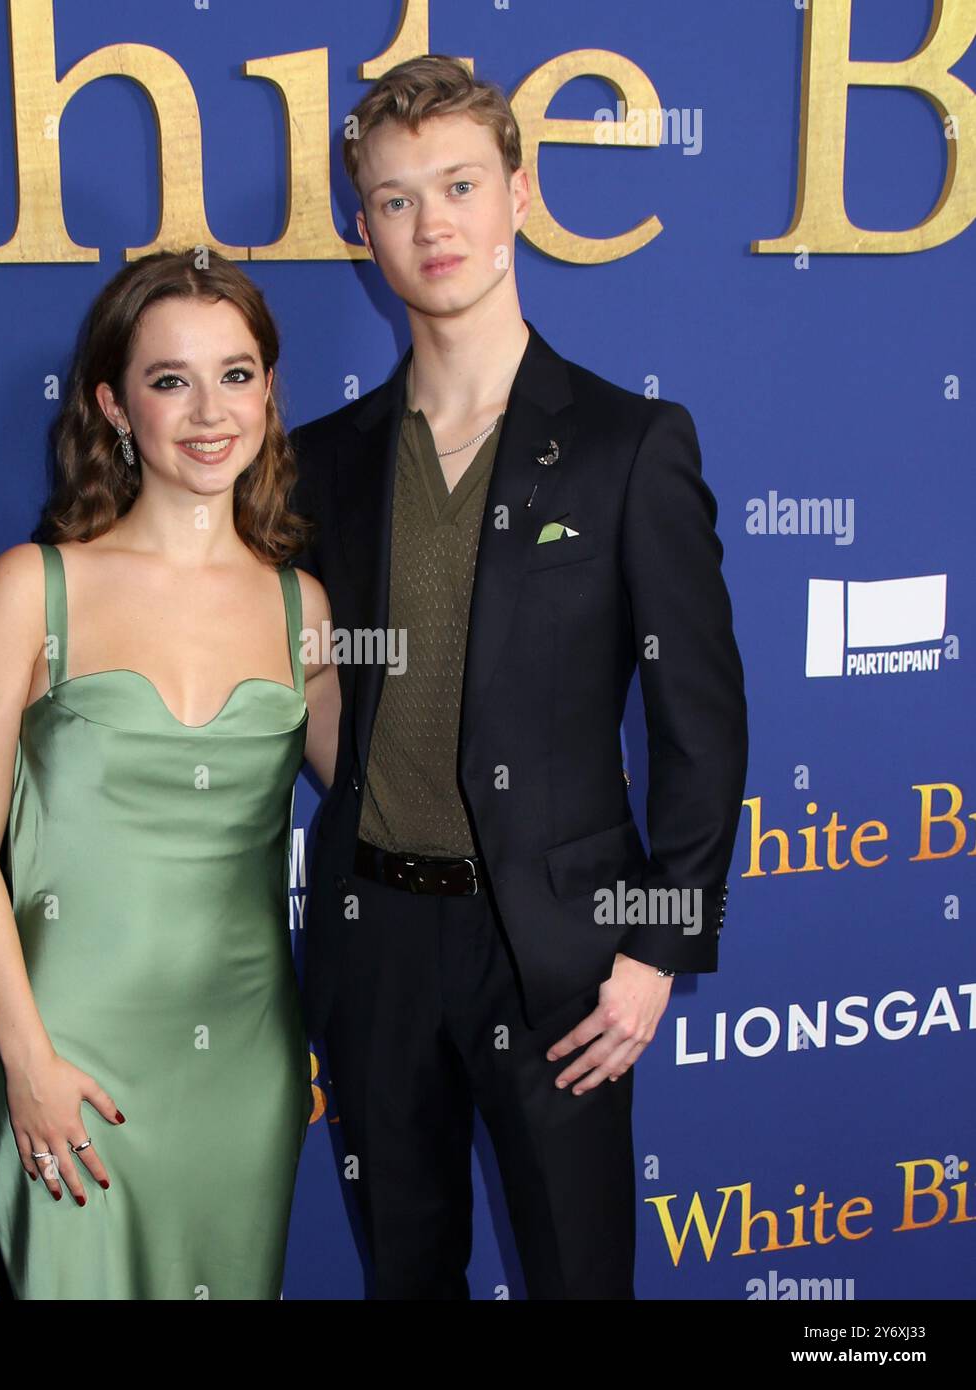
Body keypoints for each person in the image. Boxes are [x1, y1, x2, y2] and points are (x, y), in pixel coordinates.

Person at [288, 55, 748, 1299]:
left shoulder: (628, 444)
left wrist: (653, 951)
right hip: (373, 940)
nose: (432, 224)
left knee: (580, 1279)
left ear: (521, 193)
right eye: (394, 199)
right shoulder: (323, 463)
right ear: (361, 230)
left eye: (458, 185)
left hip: (561, 954)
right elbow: (329, 689)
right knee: (405, 1278)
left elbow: (700, 726)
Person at [0, 248, 339, 1299]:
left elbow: (391, 795)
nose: (211, 410)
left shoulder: (305, 609)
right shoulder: (33, 589)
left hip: (243, 1069)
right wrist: (25, 1060)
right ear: (115, 404)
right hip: (69, 1054)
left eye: (237, 373)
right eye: (172, 379)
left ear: (269, 392)